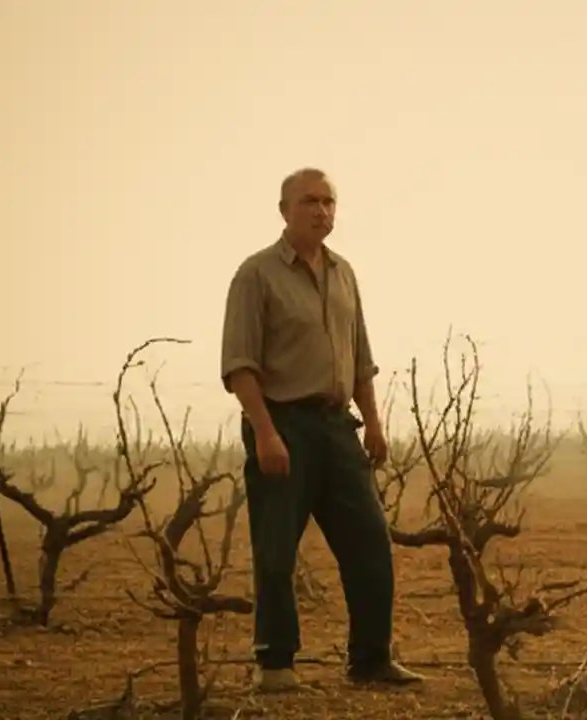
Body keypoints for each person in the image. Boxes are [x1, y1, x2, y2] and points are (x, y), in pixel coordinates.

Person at [219, 167, 424, 691]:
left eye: (329, 202)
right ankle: (276, 662)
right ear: (284, 209)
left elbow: (360, 358)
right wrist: (264, 432)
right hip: (281, 422)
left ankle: (371, 659)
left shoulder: (344, 273)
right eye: (309, 201)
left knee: (370, 543)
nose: (321, 211)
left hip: (339, 427)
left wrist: (373, 423)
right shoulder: (256, 275)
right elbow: (241, 364)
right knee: (276, 547)